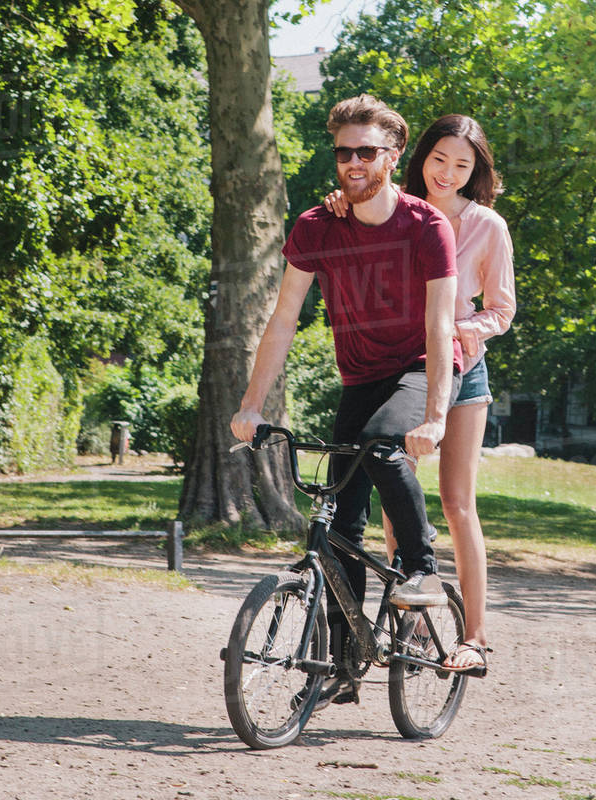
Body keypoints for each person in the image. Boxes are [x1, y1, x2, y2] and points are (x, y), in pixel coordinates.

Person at [230, 94, 461, 705]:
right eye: (343, 152)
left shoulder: (426, 226)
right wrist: (253, 406)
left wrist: (435, 416)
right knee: (340, 527)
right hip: (360, 381)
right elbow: (282, 321)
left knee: (383, 449)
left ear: (392, 156)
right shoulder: (316, 227)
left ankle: (422, 568)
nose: (352, 162)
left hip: (420, 370)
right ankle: (343, 659)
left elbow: (441, 328)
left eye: (366, 151)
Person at [324, 114, 516, 676]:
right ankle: (404, 621)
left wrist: (465, 328)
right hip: (405, 369)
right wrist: (342, 200)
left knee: (457, 503)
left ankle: (475, 639)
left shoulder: (488, 225)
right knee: (391, 489)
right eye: (439, 160)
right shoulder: (395, 208)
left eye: (463, 165)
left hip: (464, 375)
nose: (448, 173)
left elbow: (502, 309)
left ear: (476, 170)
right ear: (419, 157)